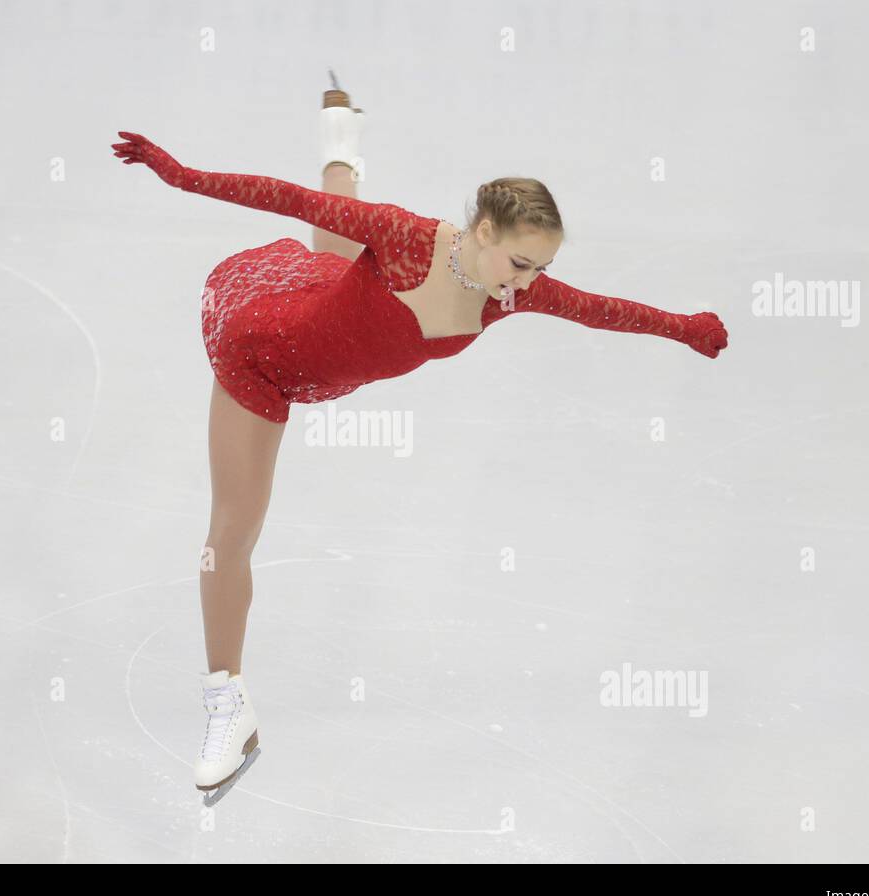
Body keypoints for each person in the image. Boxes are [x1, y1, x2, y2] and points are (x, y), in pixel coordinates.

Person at [112, 76, 729, 793]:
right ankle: (228, 701)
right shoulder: (407, 240)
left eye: (542, 269)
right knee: (232, 531)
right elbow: (286, 200)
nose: (529, 282)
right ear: (483, 232)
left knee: (337, 256)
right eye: (522, 262)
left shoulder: (504, 296)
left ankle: (341, 140)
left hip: (324, 309)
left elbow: (597, 310)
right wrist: (178, 174)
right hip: (259, 345)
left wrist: (684, 328)